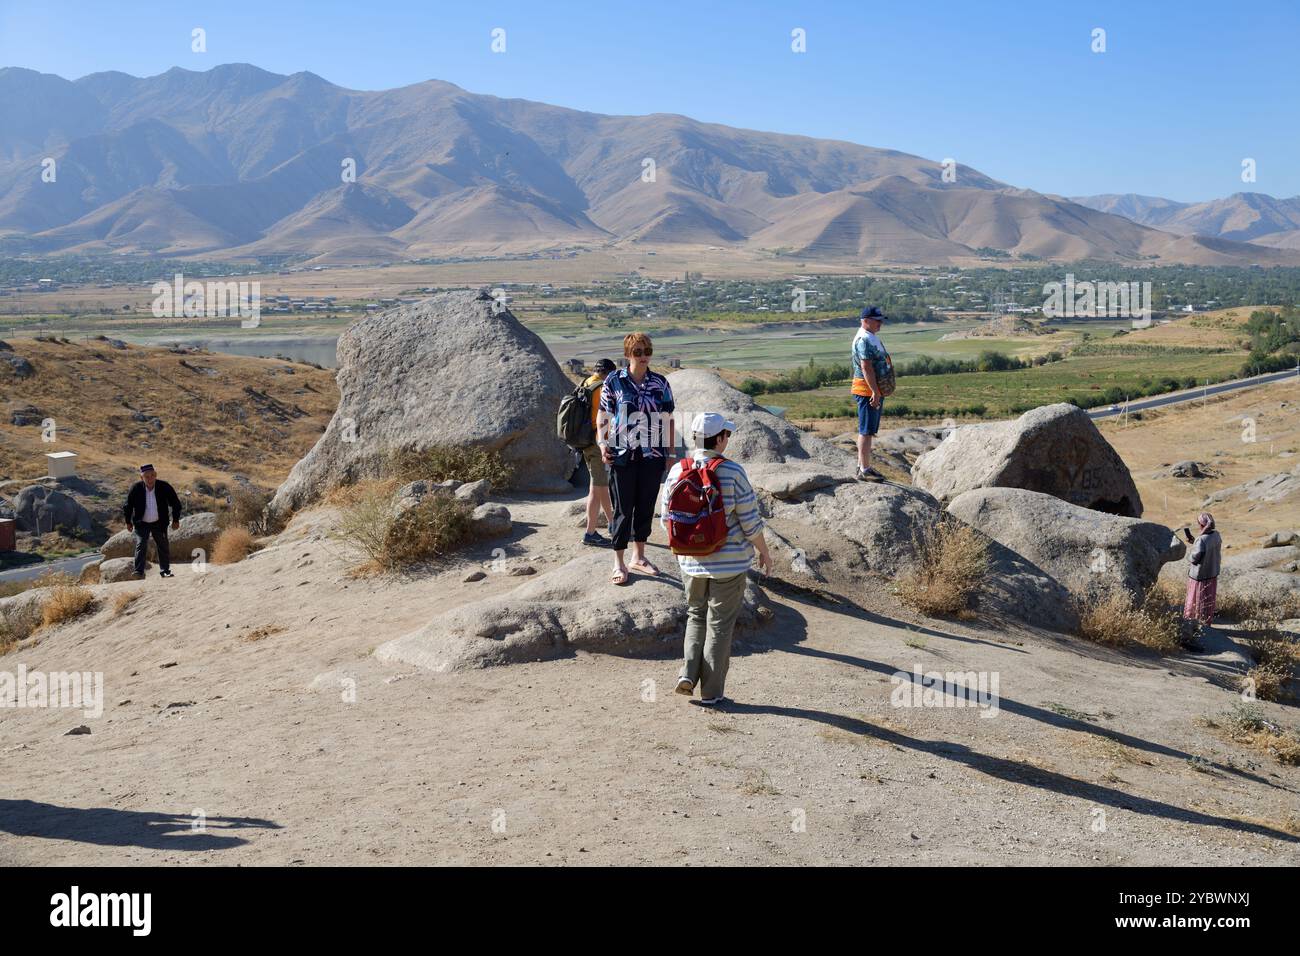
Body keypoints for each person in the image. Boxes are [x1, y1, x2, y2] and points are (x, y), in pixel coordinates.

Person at [661, 413, 773, 707]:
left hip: (690, 563)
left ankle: (687, 673)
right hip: (730, 563)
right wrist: (764, 550)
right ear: (720, 439)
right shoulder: (733, 472)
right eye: (727, 436)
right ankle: (711, 692)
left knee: (696, 616)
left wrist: (690, 545)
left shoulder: (676, 471)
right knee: (720, 625)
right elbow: (750, 521)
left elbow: (665, 520)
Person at [596, 332, 675, 585]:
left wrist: (671, 453)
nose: (643, 356)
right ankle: (618, 562)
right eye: (638, 352)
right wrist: (601, 443)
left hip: (652, 454)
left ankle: (638, 556)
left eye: (647, 351)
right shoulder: (614, 381)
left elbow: (668, 420)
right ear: (628, 354)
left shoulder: (660, 383)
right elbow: (603, 415)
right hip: (621, 454)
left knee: (645, 506)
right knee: (622, 508)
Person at [851, 306, 892, 482]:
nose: (880, 324)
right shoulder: (863, 340)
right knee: (866, 431)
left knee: (869, 430)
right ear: (866, 320)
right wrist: (875, 391)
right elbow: (866, 367)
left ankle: (863, 466)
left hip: (873, 389)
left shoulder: (870, 337)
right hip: (867, 390)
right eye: (877, 320)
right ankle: (865, 470)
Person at [580, 358, 617, 546]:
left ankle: (611, 523)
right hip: (596, 443)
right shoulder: (601, 388)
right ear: (608, 373)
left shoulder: (586, 383)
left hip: (585, 441)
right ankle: (590, 533)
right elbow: (605, 417)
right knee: (598, 487)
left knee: (598, 486)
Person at [123, 464, 183, 578]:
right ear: (142, 478)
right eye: (147, 477)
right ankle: (139, 572)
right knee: (141, 544)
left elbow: (176, 503)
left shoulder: (164, 486)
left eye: (152, 476)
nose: (150, 479)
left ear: (155, 475)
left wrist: (176, 520)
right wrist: (128, 522)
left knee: (163, 545)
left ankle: (165, 570)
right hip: (142, 523)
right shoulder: (136, 488)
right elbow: (128, 506)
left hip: (159, 523)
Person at [1182, 512, 1221, 625]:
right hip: (1212, 573)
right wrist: (1195, 542)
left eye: (1199, 523)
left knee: (1196, 600)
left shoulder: (1201, 540)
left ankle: (1193, 622)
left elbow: (1195, 558)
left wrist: (1191, 550)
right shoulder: (1216, 535)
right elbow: (1207, 548)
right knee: (1208, 600)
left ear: (1202, 525)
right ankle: (1206, 621)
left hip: (1200, 576)